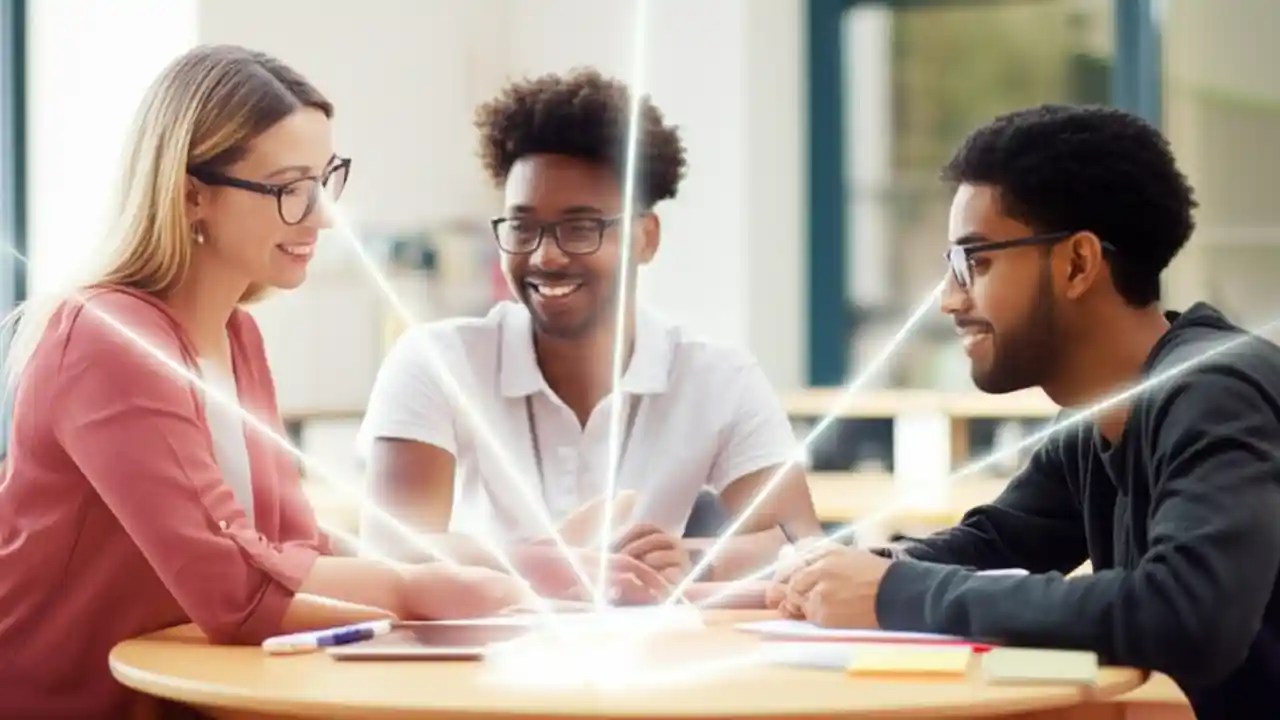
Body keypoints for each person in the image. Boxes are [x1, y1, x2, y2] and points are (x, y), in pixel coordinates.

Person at [0, 45, 538, 718]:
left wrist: (495, 564)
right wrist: (411, 591)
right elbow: (236, 590)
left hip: (168, 697)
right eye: (290, 189)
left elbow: (292, 547)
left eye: (326, 181)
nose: (322, 216)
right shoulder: (108, 339)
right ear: (192, 195)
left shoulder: (237, 337)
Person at [772, 105, 1280, 720]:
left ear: (1077, 264)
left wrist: (893, 592)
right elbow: (999, 542)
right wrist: (836, 571)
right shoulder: (1098, 418)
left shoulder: (1214, 391)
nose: (950, 299)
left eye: (975, 262)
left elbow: (1185, 613)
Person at [360, 69, 822, 590]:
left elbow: (798, 544)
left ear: (646, 238)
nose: (545, 256)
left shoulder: (717, 376)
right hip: (485, 635)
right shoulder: (436, 361)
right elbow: (394, 553)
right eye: (523, 227)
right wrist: (557, 565)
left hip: (649, 636)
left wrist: (691, 561)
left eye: (580, 228)